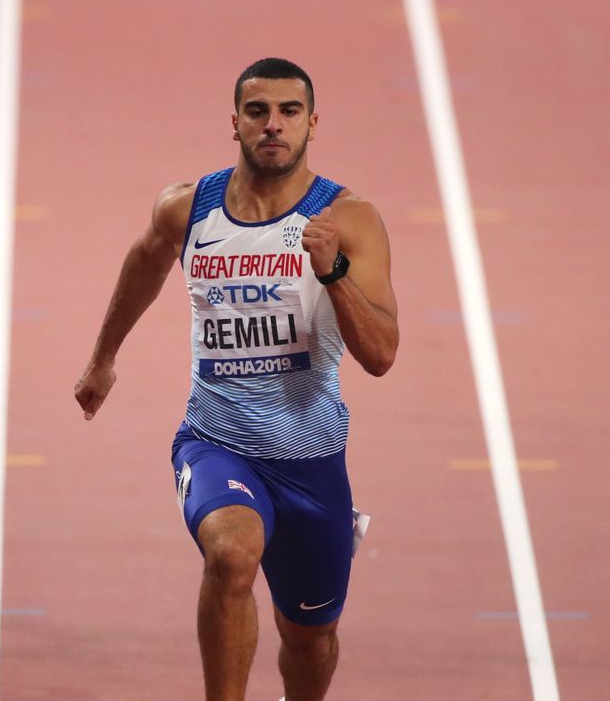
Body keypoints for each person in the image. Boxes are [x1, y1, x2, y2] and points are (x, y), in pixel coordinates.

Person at [74, 58, 398, 701]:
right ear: (235, 123)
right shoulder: (188, 208)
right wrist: (103, 357)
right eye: (257, 112)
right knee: (230, 556)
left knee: (309, 641)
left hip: (312, 460)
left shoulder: (349, 218)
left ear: (312, 124)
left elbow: (382, 353)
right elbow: (144, 263)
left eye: (288, 112)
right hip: (216, 440)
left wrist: (331, 273)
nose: (272, 125)